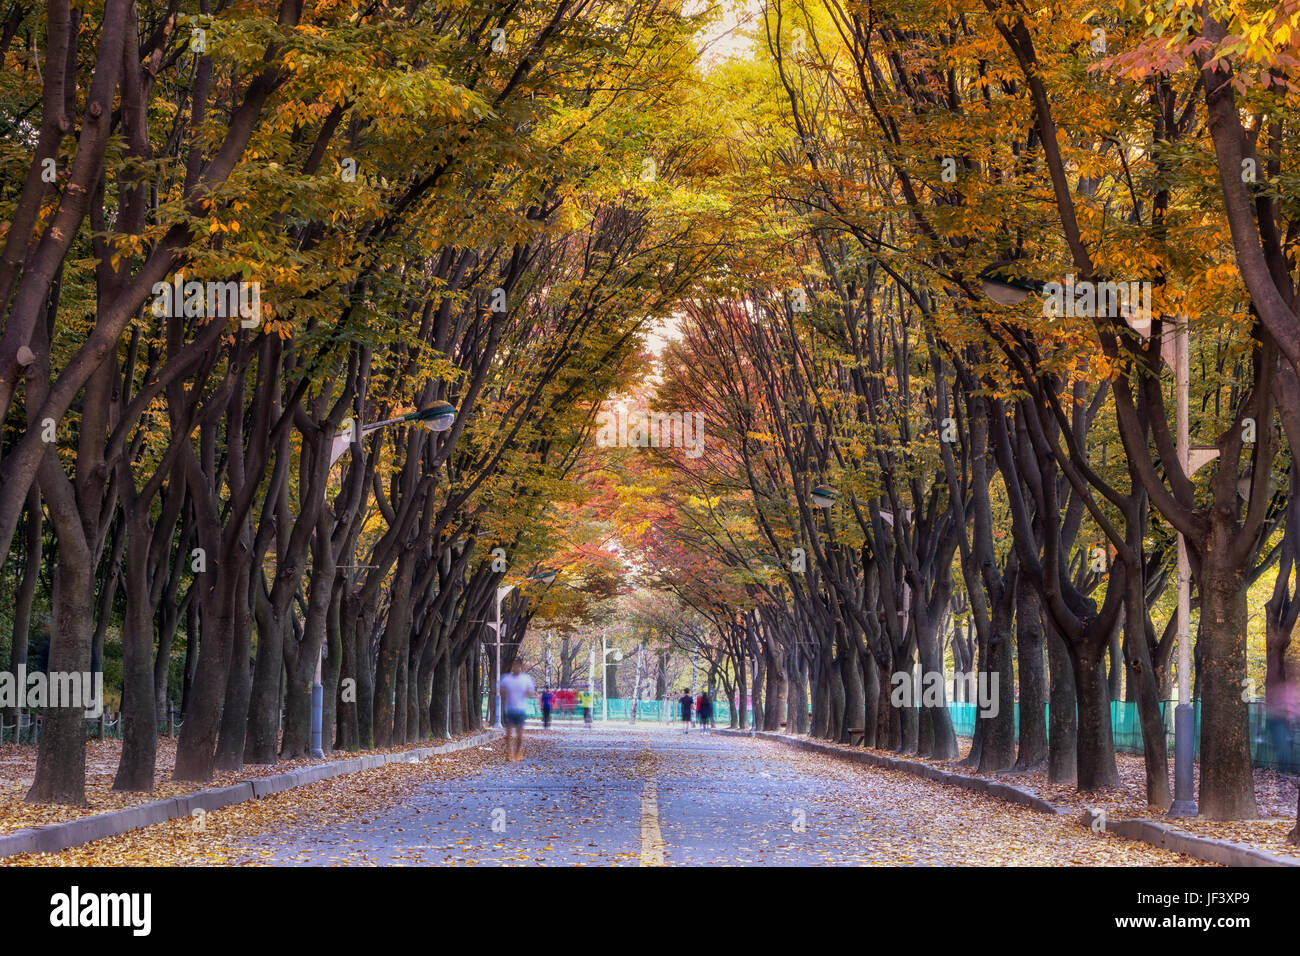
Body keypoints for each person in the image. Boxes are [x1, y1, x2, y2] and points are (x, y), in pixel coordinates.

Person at [497, 658, 536, 761]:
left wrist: (528, 693)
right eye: (514, 665)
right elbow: (500, 690)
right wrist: (504, 691)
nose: (515, 667)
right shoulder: (506, 678)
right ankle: (509, 753)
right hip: (509, 709)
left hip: (521, 710)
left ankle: (518, 751)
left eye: (517, 665)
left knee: (519, 735)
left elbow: (532, 693)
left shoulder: (526, 678)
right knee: (508, 734)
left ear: (520, 666)